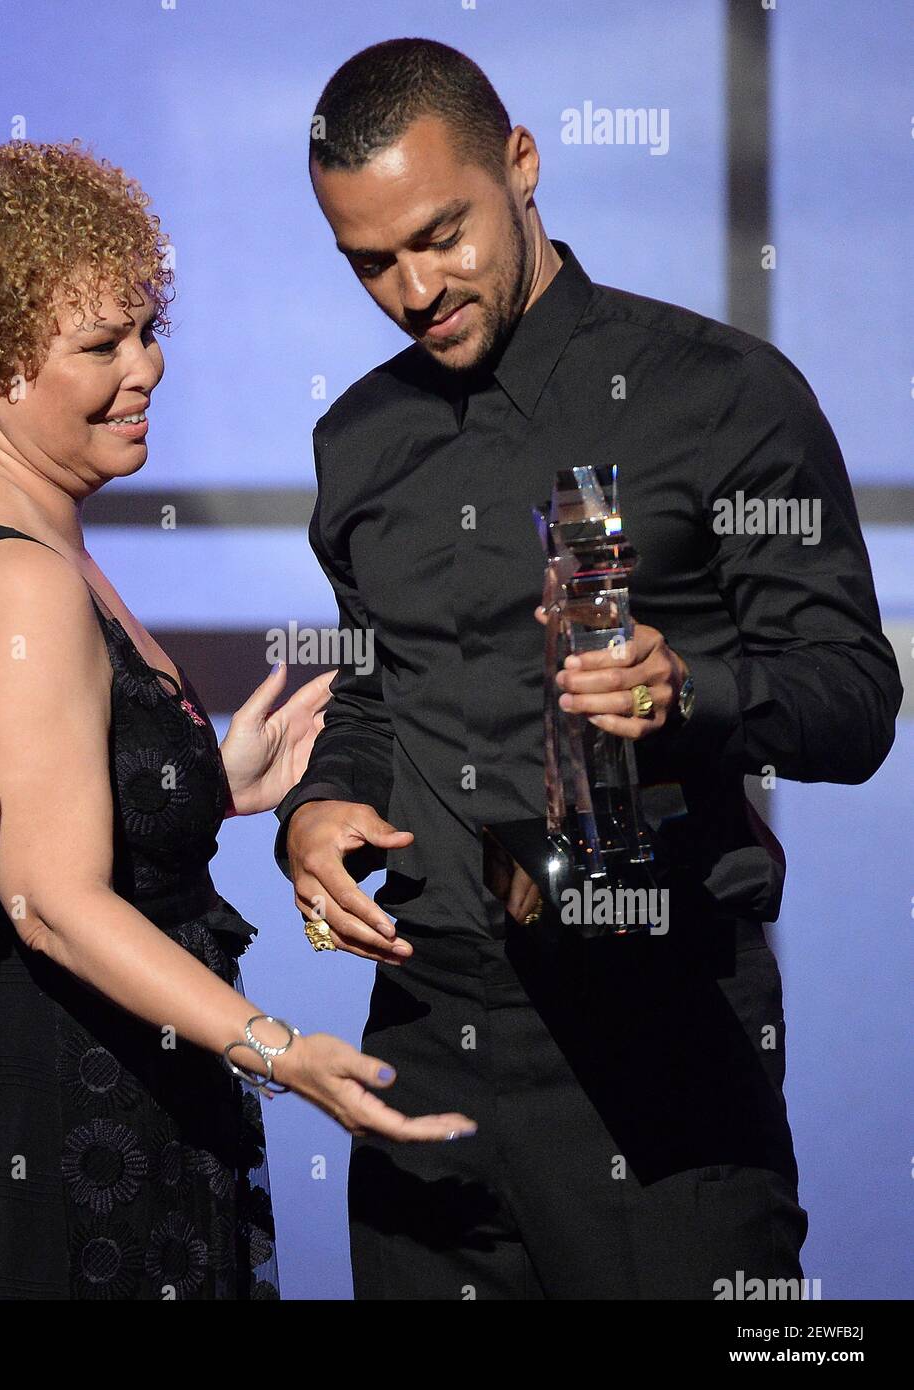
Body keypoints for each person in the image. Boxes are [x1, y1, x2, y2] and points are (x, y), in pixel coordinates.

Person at [275, 39, 903, 1299]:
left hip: (661, 1025)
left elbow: (854, 694)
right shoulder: (356, 440)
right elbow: (371, 687)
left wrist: (693, 692)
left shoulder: (723, 396)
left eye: (441, 235)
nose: (413, 288)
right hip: (425, 1034)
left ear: (522, 164)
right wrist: (315, 809)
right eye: (371, 263)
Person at [0, 139, 475, 1301]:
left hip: (9, 1070)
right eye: (102, 346)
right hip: (53, 1109)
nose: (149, 367)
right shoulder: (18, 578)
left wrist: (195, 785)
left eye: (146, 328)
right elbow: (52, 903)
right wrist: (282, 1051)